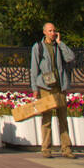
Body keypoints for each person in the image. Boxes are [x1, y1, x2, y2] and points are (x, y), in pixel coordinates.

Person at [30, 22, 76, 158]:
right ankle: (46, 148)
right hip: (45, 86)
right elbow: (34, 68)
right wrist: (34, 88)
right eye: (50, 31)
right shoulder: (38, 47)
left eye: (54, 31)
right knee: (47, 117)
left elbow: (70, 57)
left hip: (59, 85)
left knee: (63, 118)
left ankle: (66, 148)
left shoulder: (58, 46)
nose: (52, 33)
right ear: (44, 32)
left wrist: (60, 43)